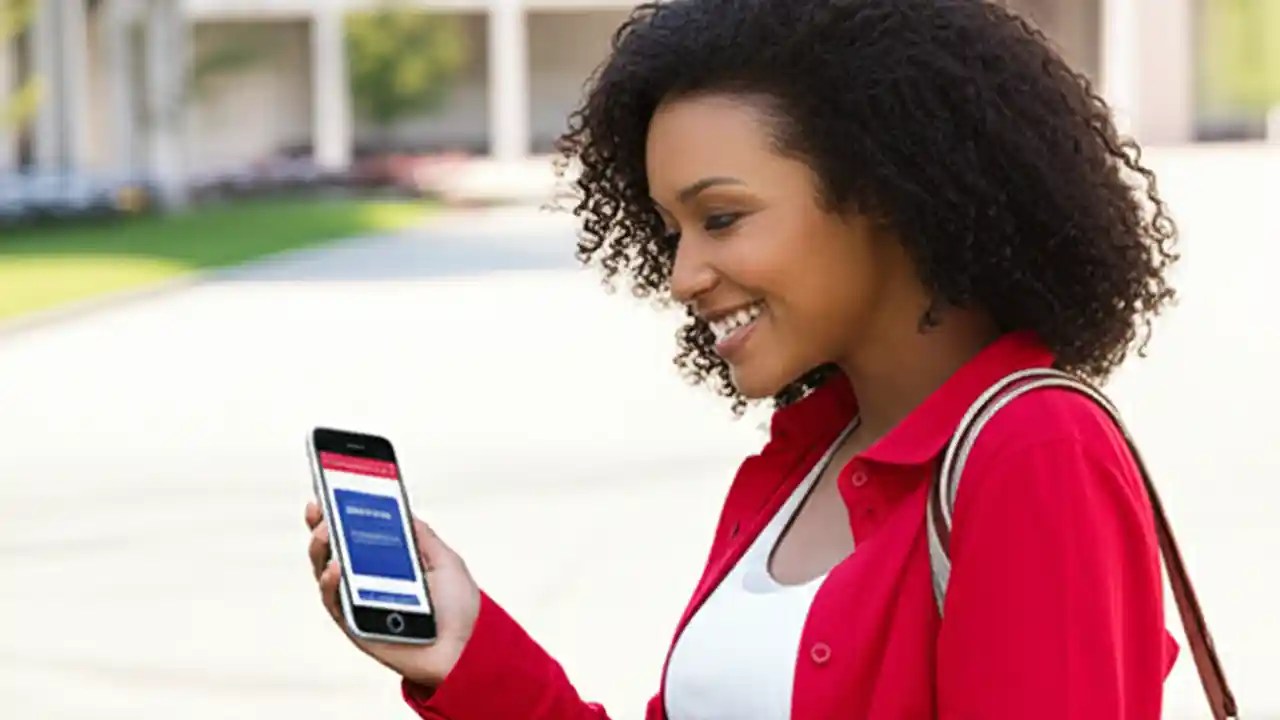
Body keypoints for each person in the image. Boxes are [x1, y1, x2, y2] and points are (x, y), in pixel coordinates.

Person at [305, 0, 1189, 717]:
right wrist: (464, 649)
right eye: (671, 230)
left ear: (887, 189)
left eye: (721, 217)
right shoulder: (793, 470)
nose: (684, 275)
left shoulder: (1035, 452)